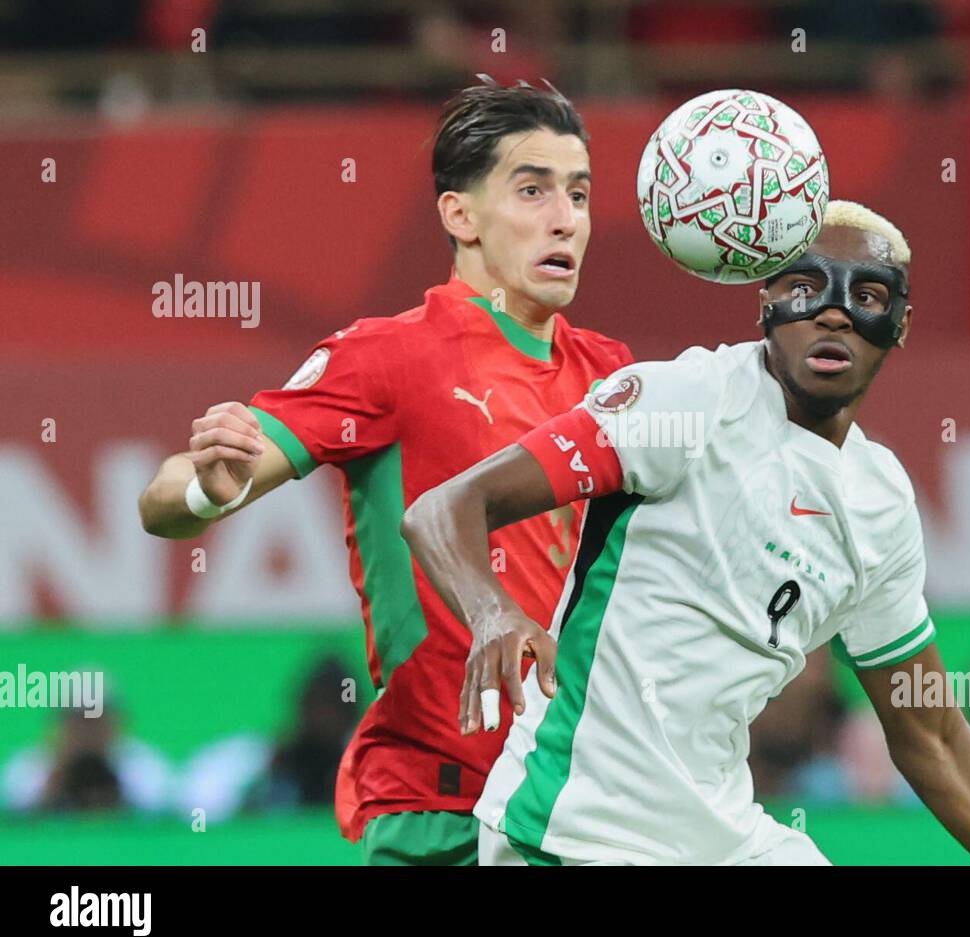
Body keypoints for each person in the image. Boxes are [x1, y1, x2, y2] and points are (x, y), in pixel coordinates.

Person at [400, 200, 970, 865]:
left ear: (899, 326)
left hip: (723, 836)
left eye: (867, 295)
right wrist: (490, 611)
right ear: (766, 300)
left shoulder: (878, 504)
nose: (833, 313)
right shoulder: (684, 401)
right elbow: (446, 508)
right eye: (805, 287)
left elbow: (932, 733)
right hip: (577, 829)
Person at [137, 77, 633, 864]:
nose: (565, 217)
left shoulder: (616, 380)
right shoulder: (389, 356)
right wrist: (207, 486)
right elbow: (162, 504)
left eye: (578, 193)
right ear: (459, 215)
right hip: (443, 812)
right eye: (532, 189)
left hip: (587, 806)